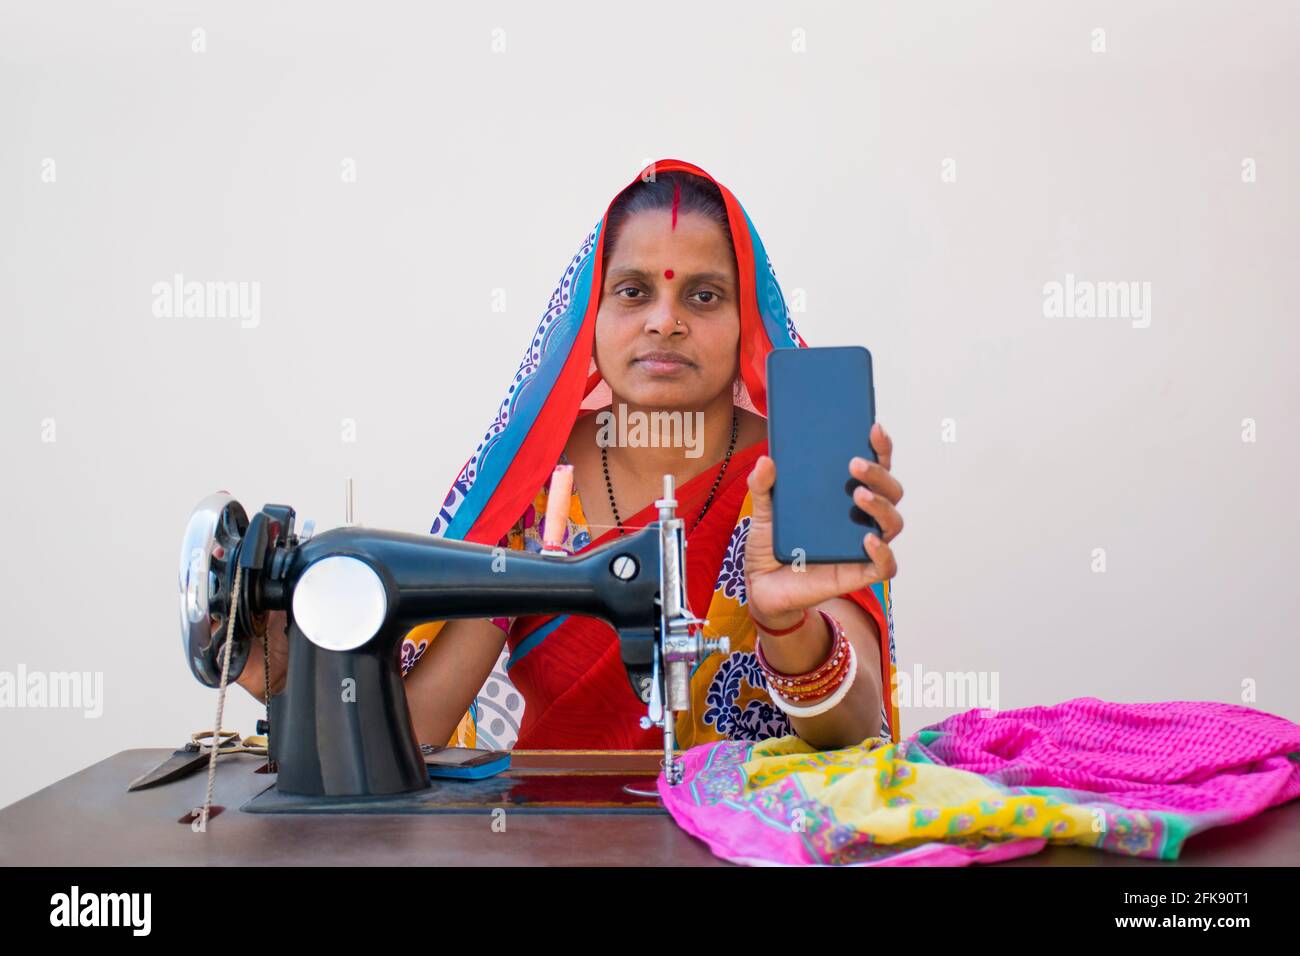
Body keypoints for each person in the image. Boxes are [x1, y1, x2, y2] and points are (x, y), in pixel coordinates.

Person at [240, 158, 905, 755]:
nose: (664, 321)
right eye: (634, 291)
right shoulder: (533, 484)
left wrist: (787, 625)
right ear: (592, 311)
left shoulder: (790, 476)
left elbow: (853, 728)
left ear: (747, 321)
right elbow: (415, 733)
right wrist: (290, 678)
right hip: (559, 839)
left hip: (753, 845)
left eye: (703, 296)